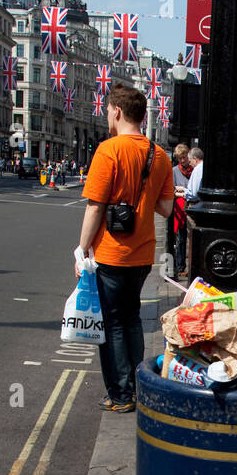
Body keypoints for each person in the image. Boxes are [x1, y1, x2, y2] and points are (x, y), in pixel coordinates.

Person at [75, 83, 175, 413]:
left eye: (107, 111)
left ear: (117, 112)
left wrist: (82, 248)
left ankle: (120, 394)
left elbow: (94, 207)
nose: (107, 116)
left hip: (112, 252)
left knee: (113, 323)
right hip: (143, 252)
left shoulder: (108, 150)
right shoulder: (159, 155)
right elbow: (165, 208)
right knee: (131, 318)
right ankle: (138, 384)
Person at [170, 144, 191, 278]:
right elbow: (172, 190)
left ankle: (190, 266)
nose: (183, 160)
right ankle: (180, 266)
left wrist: (181, 190)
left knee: (191, 239)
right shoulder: (174, 171)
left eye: (184, 157)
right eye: (180, 158)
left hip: (191, 207)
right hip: (179, 209)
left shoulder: (193, 170)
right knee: (181, 239)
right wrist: (182, 192)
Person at [183, 147, 205, 274]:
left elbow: (193, 193)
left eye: (190, 160)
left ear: (195, 159)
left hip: (195, 206)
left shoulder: (197, 170)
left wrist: (183, 193)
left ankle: (193, 268)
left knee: (192, 238)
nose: (189, 162)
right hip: (200, 206)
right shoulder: (203, 168)